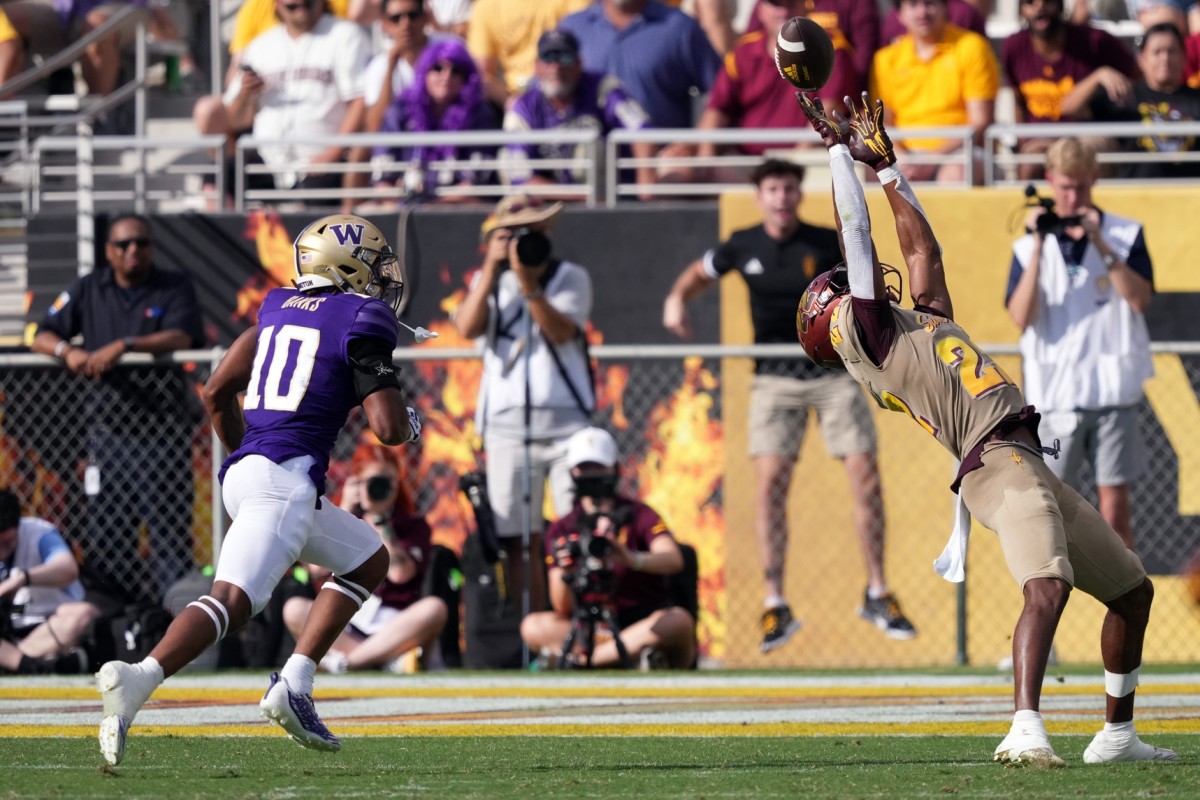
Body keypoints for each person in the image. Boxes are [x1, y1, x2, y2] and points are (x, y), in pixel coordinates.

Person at [795, 88, 1176, 765]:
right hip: (996, 464)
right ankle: (1024, 727)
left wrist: (888, 169)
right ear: (838, 318)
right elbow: (858, 238)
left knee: (1131, 591)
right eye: (849, 286)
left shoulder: (915, 325)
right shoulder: (876, 342)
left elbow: (923, 256)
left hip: (1027, 457)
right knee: (1047, 586)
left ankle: (1117, 735)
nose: (871, 279)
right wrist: (835, 156)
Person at [95, 214, 423, 765]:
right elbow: (387, 430)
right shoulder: (361, 317)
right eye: (372, 263)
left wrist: (246, 452)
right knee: (232, 601)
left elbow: (216, 390)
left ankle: (295, 683)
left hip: (252, 471)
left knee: (367, 558)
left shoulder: (273, 312)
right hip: (283, 481)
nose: (380, 276)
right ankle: (140, 678)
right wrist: (410, 421)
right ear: (344, 266)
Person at [662, 158, 916, 652]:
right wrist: (676, 300)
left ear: (799, 195)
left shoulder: (822, 241)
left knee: (864, 474)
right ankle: (774, 602)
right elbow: (698, 274)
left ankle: (878, 590)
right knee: (769, 484)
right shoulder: (743, 243)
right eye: (773, 189)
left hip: (833, 372)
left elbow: (865, 273)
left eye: (789, 189)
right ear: (759, 196)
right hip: (773, 380)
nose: (781, 197)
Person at [32, 213, 205, 605]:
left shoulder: (174, 286)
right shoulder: (90, 288)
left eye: (141, 243)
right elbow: (42, 334)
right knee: (110, 540)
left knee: (170, 539)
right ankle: (117, 628)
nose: (133, 251)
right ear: (109, 251)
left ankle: (171, 630)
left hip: (163, 434)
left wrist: (126, 345)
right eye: (124, 244)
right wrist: (67, 351)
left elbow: (182, 334)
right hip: (108, 437)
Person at [1005, 137, 1154, 551]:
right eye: (1066, 187)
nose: (1072, 197)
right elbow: (1020, 315)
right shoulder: (1026, 245)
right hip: (1056, 394)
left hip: (1111, 388)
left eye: (1082, 187)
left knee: (1116, 509)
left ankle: (1124, 603)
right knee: (1049, 505)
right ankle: (1055, 595)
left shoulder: (1124, 234)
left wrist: (1101, 243)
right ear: (1051, 181)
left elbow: (1140, 299)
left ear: (1095, 182)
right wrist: (1037, 244)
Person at [453, 193, 594, 620]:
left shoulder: (571, 276)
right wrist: (495, 271)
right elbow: (466, 327)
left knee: (574, 530)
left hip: (567, 422)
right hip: (506, 424)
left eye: (534, 231)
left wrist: (529, 283)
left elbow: (561, 331)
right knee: (517, 534)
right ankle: (531, 630)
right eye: (514, 234)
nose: (525, 241)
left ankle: (576, 626)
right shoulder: (488, 280)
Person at [519, 426, 696, 669]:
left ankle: (584, 661)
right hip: (590, 627)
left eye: (598, 467)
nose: (592, 475)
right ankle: (628, 657)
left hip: (639, 621)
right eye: (585, 468)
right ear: (572, 472)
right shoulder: (562, 528)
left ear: (614, 468)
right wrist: (567, 570)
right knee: (533, 626)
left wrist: (630, 558)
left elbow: (673, 559)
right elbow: (562, 606)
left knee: (678, 621)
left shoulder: (639, 514)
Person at [284, 443, 447, 674]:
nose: (380, 488)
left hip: (394, 627)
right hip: (347, 621)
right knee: (294, 608)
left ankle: (347, 663)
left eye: (388, 481)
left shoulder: (413, 525)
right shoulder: (344, 519)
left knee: (435, 608)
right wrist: (345, 509)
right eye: (372, 482)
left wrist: (381, 522)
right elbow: (316, 569)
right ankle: (384, 662)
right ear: (356, 484)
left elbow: (400, 575)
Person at [194, 0, 370, 208]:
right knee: (216, 179)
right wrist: (245, 93)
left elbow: (360, 101)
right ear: (277, 5)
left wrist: (333, 153)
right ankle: (224, 240)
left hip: (322, 159)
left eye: (307, 4)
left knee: (317, 216)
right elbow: (237, 119)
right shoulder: (261, 45)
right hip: (269, 159)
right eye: (292, 6)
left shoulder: (346, 34)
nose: (300, 10)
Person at [500, 29, 656, 196]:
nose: (556, 67)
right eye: (548, 58)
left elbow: (641, 128)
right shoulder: (523, 107)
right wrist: (581, 197)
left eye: (566, 58)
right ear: (537, 66)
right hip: (548, 208)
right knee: (504, 159)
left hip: (608, 200)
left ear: (579, 64)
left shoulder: (602, 88)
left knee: (590, 147)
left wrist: (645, 177)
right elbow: (520, 178)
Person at [1001, 0, 1140, 180]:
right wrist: (1022, 143)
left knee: (1091, 155)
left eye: (1047, 1)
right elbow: (1018, 102)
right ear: (1021, 10)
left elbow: (1140, 77)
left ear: (1060, 5)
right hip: (1041, 137)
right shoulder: (1014, 47)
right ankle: (1032, 208)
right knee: (1030, 162)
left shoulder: (1094, 40)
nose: (1040, 7)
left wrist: (1107, 80)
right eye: (1030, 2)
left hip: (1089, 132)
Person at [870, 0, 999, 184]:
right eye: (913, 4)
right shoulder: (884, 59)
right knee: (870, 171)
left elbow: (980, 122)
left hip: (960, 151)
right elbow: (883, 123)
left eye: (930, 3)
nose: (922, 12)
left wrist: (931, 159)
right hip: (905, 154)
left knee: (957, 174)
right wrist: (902, 159)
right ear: (900, 14)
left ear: (945, 8)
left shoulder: (972, 47)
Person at [372, 38, 501, 204]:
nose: (446, 76)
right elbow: (382, 179)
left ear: (466, 78)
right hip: (402, 207)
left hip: (457, 209)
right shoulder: (401, 110)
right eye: (437, 68)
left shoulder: (480, 114)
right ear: (424, 72)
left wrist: (430, 207)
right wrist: (402, 203)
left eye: (456, 71)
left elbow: (474, 185)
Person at [1065, 22, 1200, 179]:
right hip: (1134, 194)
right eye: (1157, 52)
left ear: (1184, 57)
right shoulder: (1125, 94)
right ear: (1141, 59)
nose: (1165, 58)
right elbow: (1069, 108)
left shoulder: (1196, 98)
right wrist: (1098, 76)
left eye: (1171, 51)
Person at [0, 488, 99, 675]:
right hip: (12, 623)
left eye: (7, 543)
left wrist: (23, 579)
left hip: (49, 622)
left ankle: (14, 662)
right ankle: (35, 665)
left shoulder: (38, 533)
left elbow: (68, 570)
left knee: (83, 615)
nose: (2, 552)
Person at [467, 0, 592, 109]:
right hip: (515, 97)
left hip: (566, 93)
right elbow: (482, 75)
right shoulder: (486, 6)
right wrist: (509, 102)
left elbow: (586, 50)